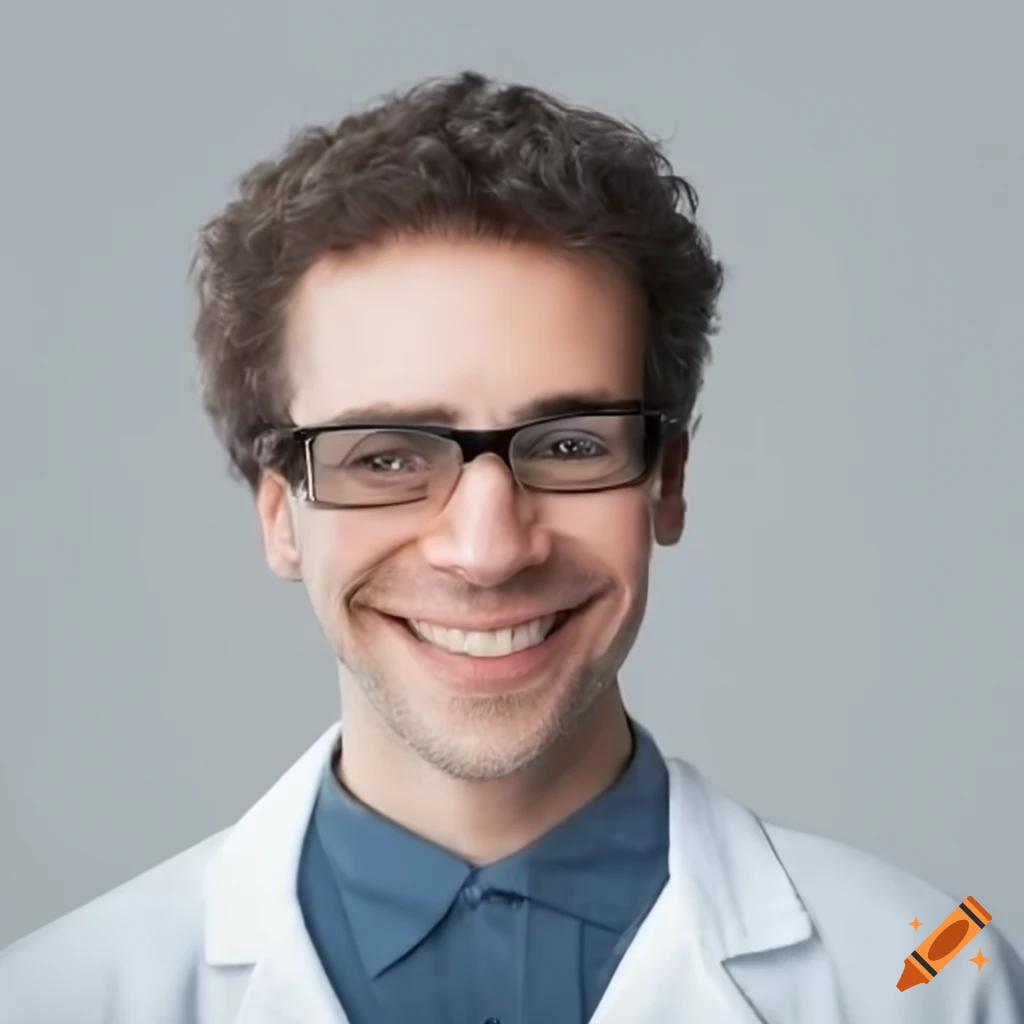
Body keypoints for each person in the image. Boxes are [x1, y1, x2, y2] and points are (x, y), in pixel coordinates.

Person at [0, 69, 1021, 1024]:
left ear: (666, 481)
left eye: (569, 445)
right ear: (279, 513)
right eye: (387, 456)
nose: (487, 551)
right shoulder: (51, 997)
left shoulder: (930, 980)